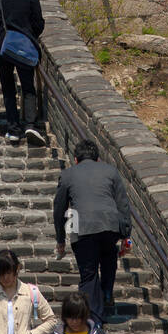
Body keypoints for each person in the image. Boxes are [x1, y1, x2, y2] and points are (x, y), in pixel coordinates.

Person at [53, 138, 131, 324]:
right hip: (110, 226)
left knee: (88, 274)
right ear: (98, 159)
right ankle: (106, 293)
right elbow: (123, 204)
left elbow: (59, 209)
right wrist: (126, 235)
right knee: (109, 256)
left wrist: (60, 239)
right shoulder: (110, 171)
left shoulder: (68, 175)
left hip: (83, 228)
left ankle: (94, 318)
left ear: (76, 159)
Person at [0, 0, 47, 145]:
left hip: (4, 49)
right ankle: (30, 124)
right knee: (28, 87)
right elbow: (39, 25)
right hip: (25, 47)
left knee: (8, 89)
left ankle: (13, 129)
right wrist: (28, 36)